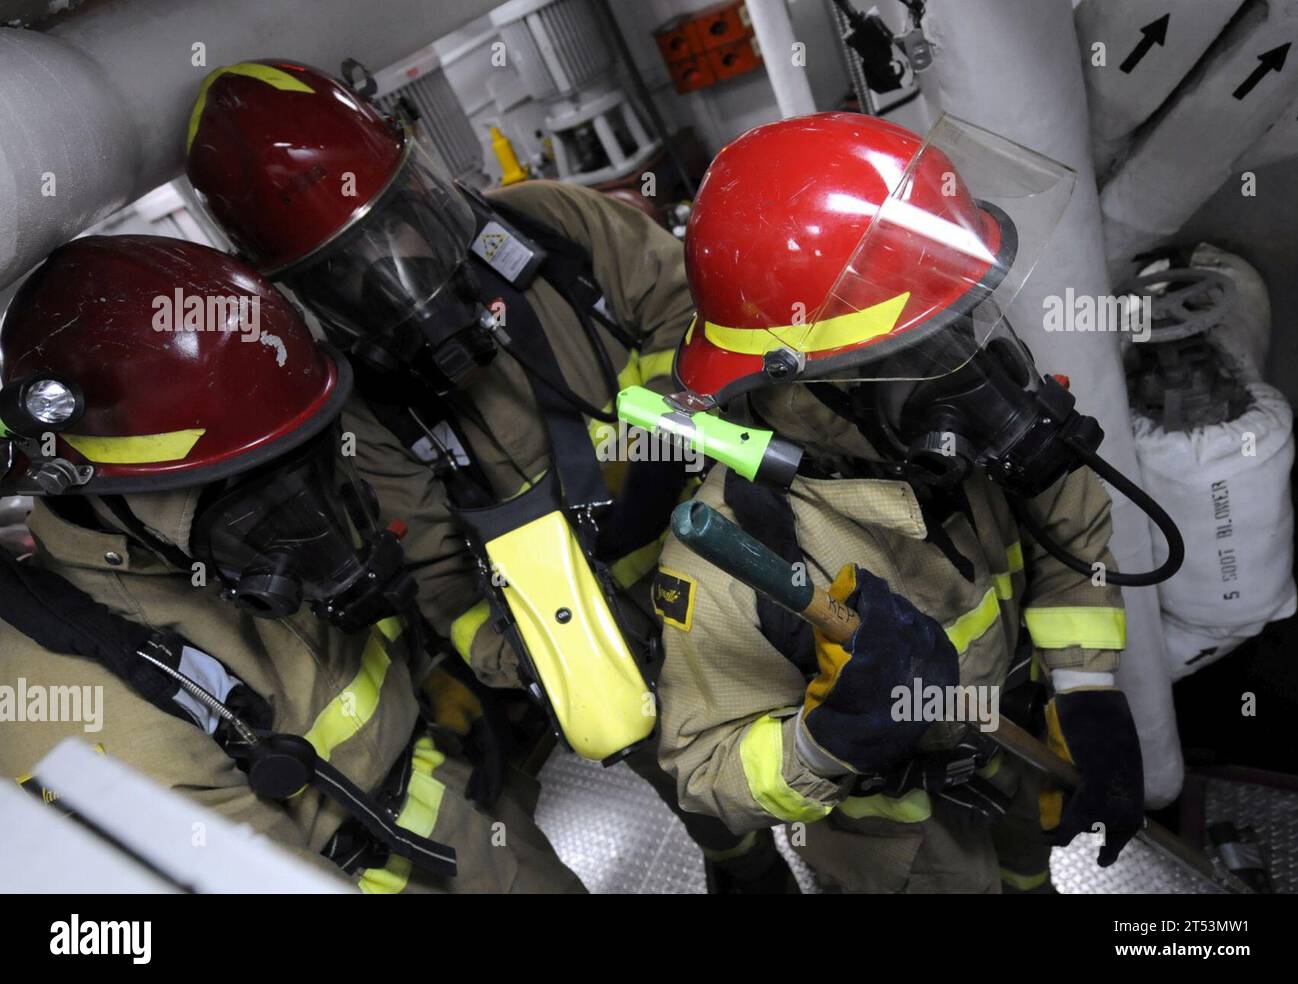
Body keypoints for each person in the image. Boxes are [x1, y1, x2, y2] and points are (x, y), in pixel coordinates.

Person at [185, 59, 796, 892]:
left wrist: (655, 445)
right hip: (613, 635)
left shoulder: (550, 231)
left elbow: (691, 321)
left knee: (842, 733)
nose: (388, 270)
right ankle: (746, 868)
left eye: (393, 222)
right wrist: (532, 661)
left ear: (421, 182)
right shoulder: (358, 405)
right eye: (342, 266)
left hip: (737, 545)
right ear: (296, 289)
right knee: (701, 787)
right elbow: (437, 573)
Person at [653, 112, 1157, 893]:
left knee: (1030, 879)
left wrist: (1086, 693)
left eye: (961, 326)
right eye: (916, 350)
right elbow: (706, 769)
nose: (967, 374)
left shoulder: (964, 442)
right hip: (902, 848)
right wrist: (829, 741)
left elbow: (1073, 531)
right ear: (801, 384)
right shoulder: (732, 550)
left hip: (1019, 755)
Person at [0, 235, 584, 894]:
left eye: (303, 460)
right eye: (244, 484)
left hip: (465, 814)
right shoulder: (86, 711)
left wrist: (424, 690)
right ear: (102, 490)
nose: (305, 513)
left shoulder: (189, 543)